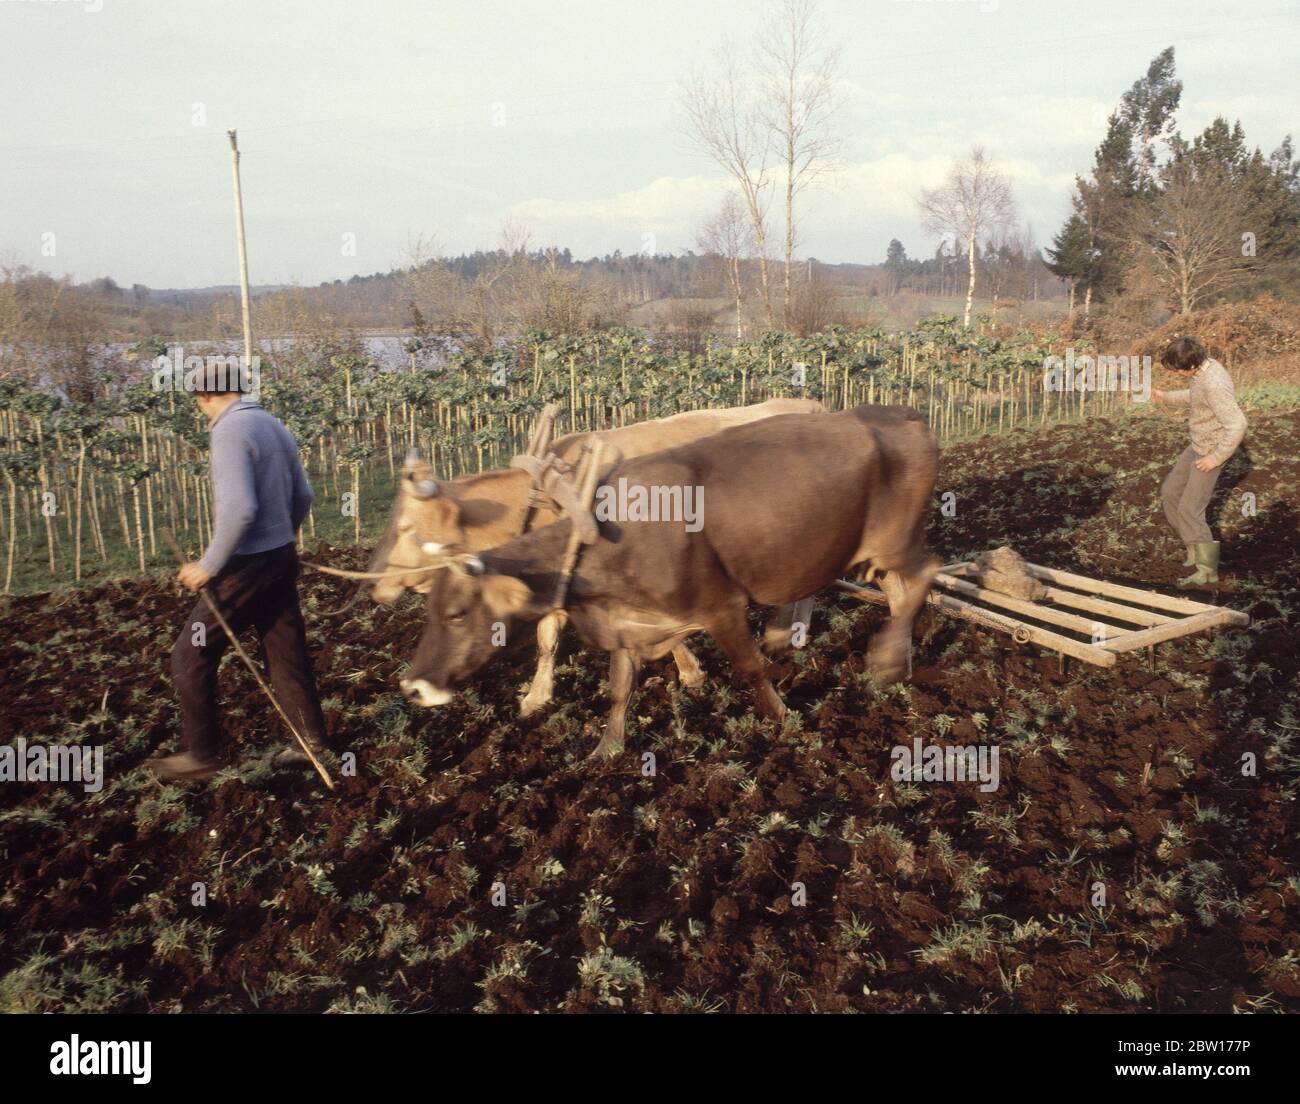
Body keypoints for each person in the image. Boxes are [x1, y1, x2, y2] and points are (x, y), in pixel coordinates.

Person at [146, 377, 329, 782]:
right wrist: (283, 536)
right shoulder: (272, 424)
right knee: (283, 650)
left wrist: (209, 565)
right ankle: (309, 742)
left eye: (198, 401)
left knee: (190, 653)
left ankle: (202, 755)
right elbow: (305, 495)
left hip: (244, 566)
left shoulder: (228, 431)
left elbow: (241, 507)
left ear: (205, 396)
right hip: (280, 557)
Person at [1152, 336, 1247, 589]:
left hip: (1210, 451)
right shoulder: (1202, 371)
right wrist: (1166, 396)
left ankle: (1207, 571)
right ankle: (1193, 546)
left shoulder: (1215, 382)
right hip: (1197, 444)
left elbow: (1238, 425)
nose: (1177, 372)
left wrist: (1214, 458)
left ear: (1191, 364)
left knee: (1190, 509)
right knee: (1170, 493)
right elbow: (1196, 395)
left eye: (1178, 369)